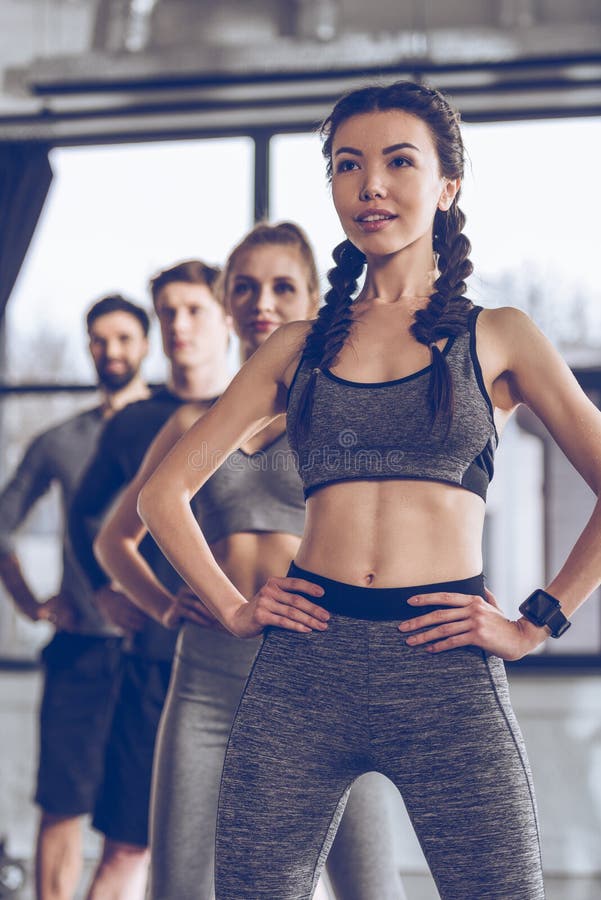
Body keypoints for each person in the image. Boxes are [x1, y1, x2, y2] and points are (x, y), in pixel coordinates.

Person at [137, 80, 601, 899]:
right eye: (347, 165)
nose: (370, 185)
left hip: (443, 666)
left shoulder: (497, 335)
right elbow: (161, 496)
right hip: (302, 671)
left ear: (447, 185)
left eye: (397, 162)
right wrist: (236, 608)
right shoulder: (295, 349)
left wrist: (539, 620)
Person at [94, 221, 408, 900]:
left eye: (280, 286)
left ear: (312, 300)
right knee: (178, 888)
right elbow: (115, 540)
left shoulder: (341, 412)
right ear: (228, 303)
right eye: (244, 287)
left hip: (324, 677)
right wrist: (165, 605)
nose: (261, 301)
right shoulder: (189, 425)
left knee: (372, 889)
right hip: (207, 681)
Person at [68, 260, 231, 900]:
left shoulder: (268, 410)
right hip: (158, 663)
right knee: (128, 847)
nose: (178, 326)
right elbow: (90, 521)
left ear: (224, 319)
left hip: (255, 662)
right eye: (166, 313)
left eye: (192, 310)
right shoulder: (136, 423)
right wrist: (112, 592)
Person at [0, 294, 151, 900]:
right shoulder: (60, 441)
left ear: (145, 344)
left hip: (154, 653)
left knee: (133, 828)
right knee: (62, 808)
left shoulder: (182, 432)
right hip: (80, 651)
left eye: (122, 338)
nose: (110, 350)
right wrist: (31, 602)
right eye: (99, 339)